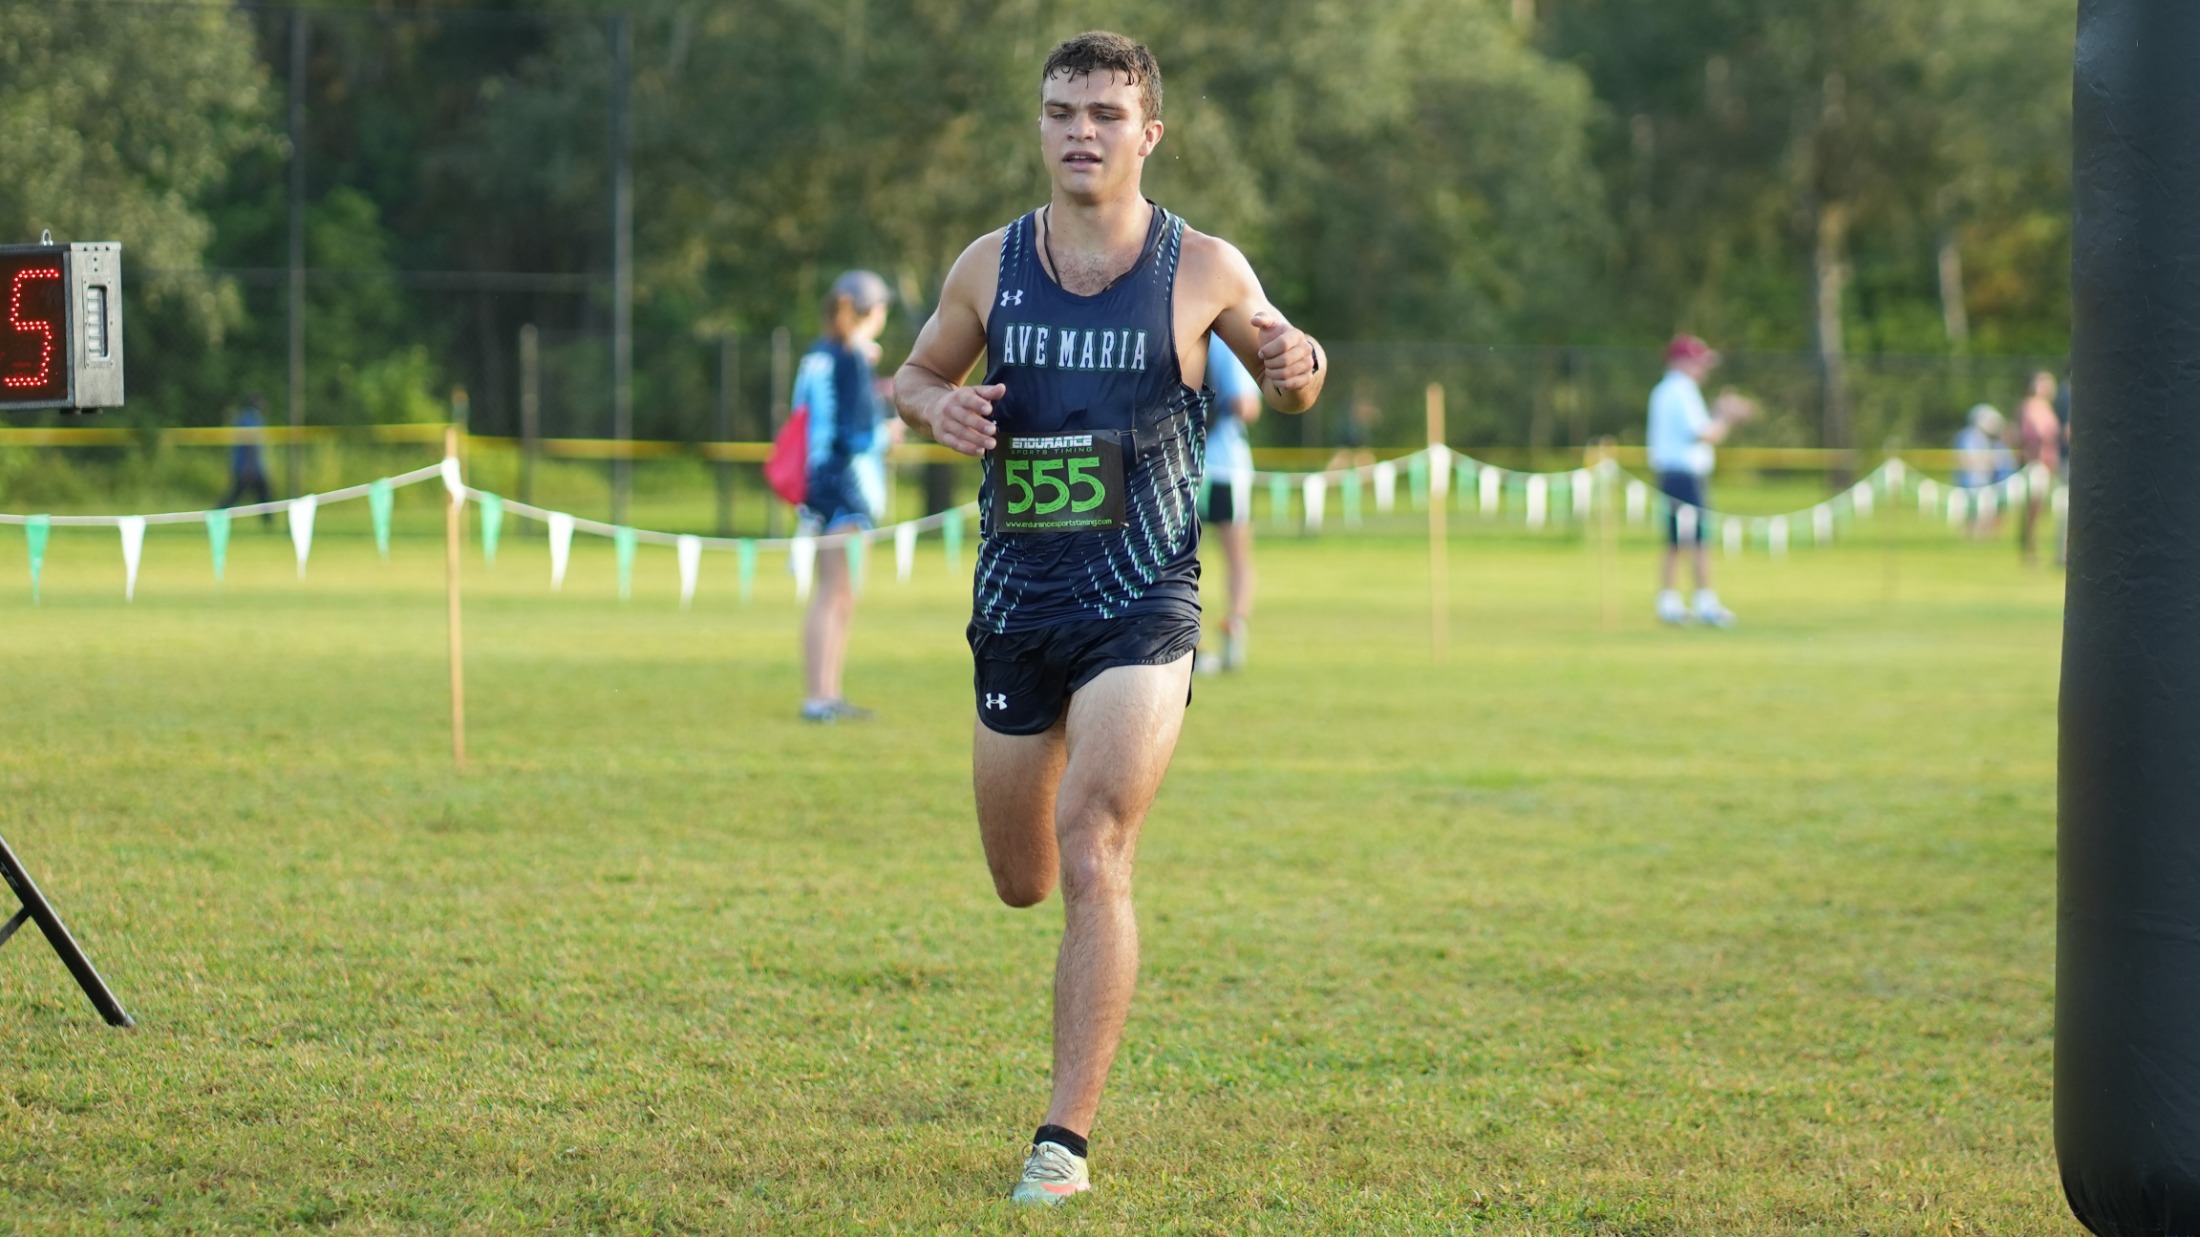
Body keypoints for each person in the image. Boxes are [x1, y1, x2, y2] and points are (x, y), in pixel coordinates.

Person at [891, 31, 1324, 1206]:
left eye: (1102, 112)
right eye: (1059, 110)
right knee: (1022, 876)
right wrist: (938, 411)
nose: (1080, 129)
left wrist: (1295, 363)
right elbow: (911, 377)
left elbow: (1290, 370)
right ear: (1040, 127)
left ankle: (1061, 1142)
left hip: (1141, 603)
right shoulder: (991, 265)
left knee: (1095, 843)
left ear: (1148, 133)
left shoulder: (1202, 268)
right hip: (1016, 604)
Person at [796, 270, 900, 723]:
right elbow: (857, 437)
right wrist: (891, 430)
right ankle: (821, 697)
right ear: (872, 312)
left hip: (816, 482)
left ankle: (827, 693)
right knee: (836, 595)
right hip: (844, 488)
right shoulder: (850, 356)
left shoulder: (817, 355)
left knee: (832, 593)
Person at [1646, 335, 1752, 626]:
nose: (1703, 369)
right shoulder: (1681, 390)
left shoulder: (1666, 390)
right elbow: (1704, 434)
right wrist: (1727, 416)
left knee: (1678, 541)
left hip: (1674, 474)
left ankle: (1670, 601)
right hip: (1684, 475)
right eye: (1698, 362)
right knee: (1697, 541)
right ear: (1680, 361)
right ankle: (1703, 601)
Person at [1196, 332, 1261, 673]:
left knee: (1183, 559)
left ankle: (1190, 643)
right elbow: (1246, 405)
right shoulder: (1230, 340)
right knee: (1237, 557)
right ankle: (1234, 630)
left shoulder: (1180, 329)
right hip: (1226, 465)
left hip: (1182, 463)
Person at [2018, 370, 2064, 565]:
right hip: (2037, 462)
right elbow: (2038, 434)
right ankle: (2030, 549)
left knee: (2041, 508)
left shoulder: (2046, 407)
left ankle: (2033, 549)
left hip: (2048, 462)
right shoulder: (2031, 406)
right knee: (2033, 508)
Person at [1953, 404, 2015, 538]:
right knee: (1973, 509)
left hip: (1983, 479)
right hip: (1971, 479)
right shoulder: (1969, 436)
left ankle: (1982, 534)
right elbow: (1966, 459)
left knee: (1986, 507)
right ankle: (1971, 533)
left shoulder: (1985, 439)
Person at [219, 395, 275, 522]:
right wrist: (248, 468)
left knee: (263, 494)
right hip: (248, 467)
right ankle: (217, 515)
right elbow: (250, 445)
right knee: (236, 495)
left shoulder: (250, 418)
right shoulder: (249, 418)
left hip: (251, 466)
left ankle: (268, 521)